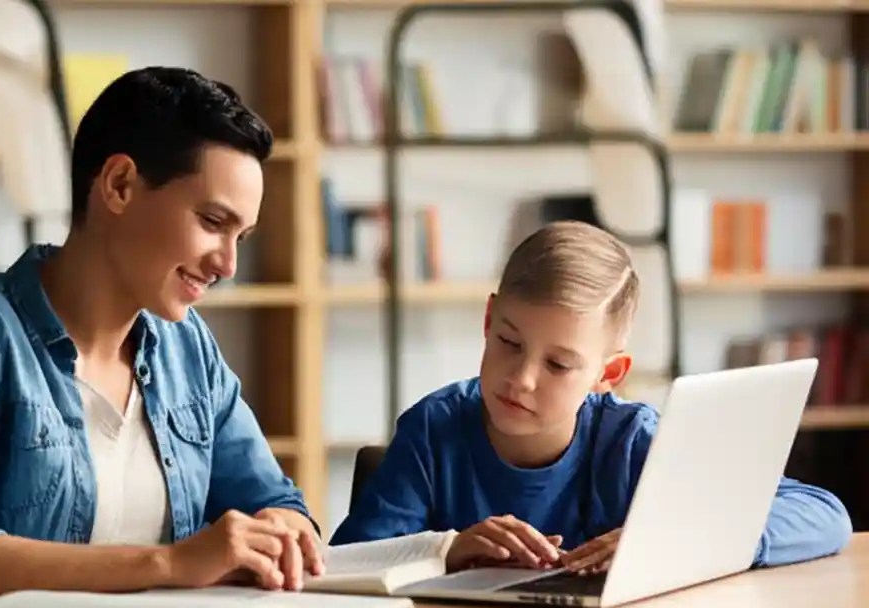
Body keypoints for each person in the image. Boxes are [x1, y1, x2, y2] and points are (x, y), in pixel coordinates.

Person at [0, 66, 324, 608]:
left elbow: (280, 505)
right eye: (213, 221)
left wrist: (281, 533)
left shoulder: (188, 348)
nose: (228, 264)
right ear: (119, 185)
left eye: (241, 237)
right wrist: (167, 564)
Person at [331, 220, 853, 575]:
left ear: (610, 373)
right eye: (509, 342)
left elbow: (824, 513)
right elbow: (347, 565)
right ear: (488, 322)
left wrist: (683, 538)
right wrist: (446, 550)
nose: (523, 378)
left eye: (558, 364)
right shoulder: (432, 431)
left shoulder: (633, 441)